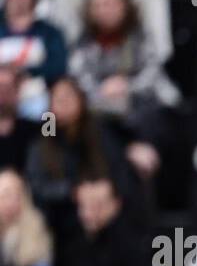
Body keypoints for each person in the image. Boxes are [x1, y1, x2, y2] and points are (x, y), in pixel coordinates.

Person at [66, 0, 177, 180]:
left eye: (110, 2)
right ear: (90, 10)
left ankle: (146, 159)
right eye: (98, 4)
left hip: (142, 110)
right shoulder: (83, 44)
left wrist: (128, 86)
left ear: (124, 4)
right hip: (102, 114)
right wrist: (103, 90)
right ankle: (128, 154)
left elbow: (153, 72)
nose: (105, 9)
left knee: (159, 114)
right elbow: (79, 80)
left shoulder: (140, 36)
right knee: (94, 125)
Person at [25, 76, 133, 234]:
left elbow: (119, 170)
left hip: (105, 211)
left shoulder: (98, 133)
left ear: (81, 100)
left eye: (69, 96)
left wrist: (107, 189)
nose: (64, 102)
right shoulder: (45, 140)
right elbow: (38, 187)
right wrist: (73, 192)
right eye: (58, 98)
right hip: (61, 219)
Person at [0, 0, 67, 119]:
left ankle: (49, 140)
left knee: (50, 110)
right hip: (2, 91)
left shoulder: (50, 32)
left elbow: (58, 67)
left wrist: (26, 73)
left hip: (37, 93)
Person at [0, 66, 38, 171]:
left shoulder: (33, 129)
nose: (3, 94)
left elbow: (53, 138)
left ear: (17, 92)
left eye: (7, 88)